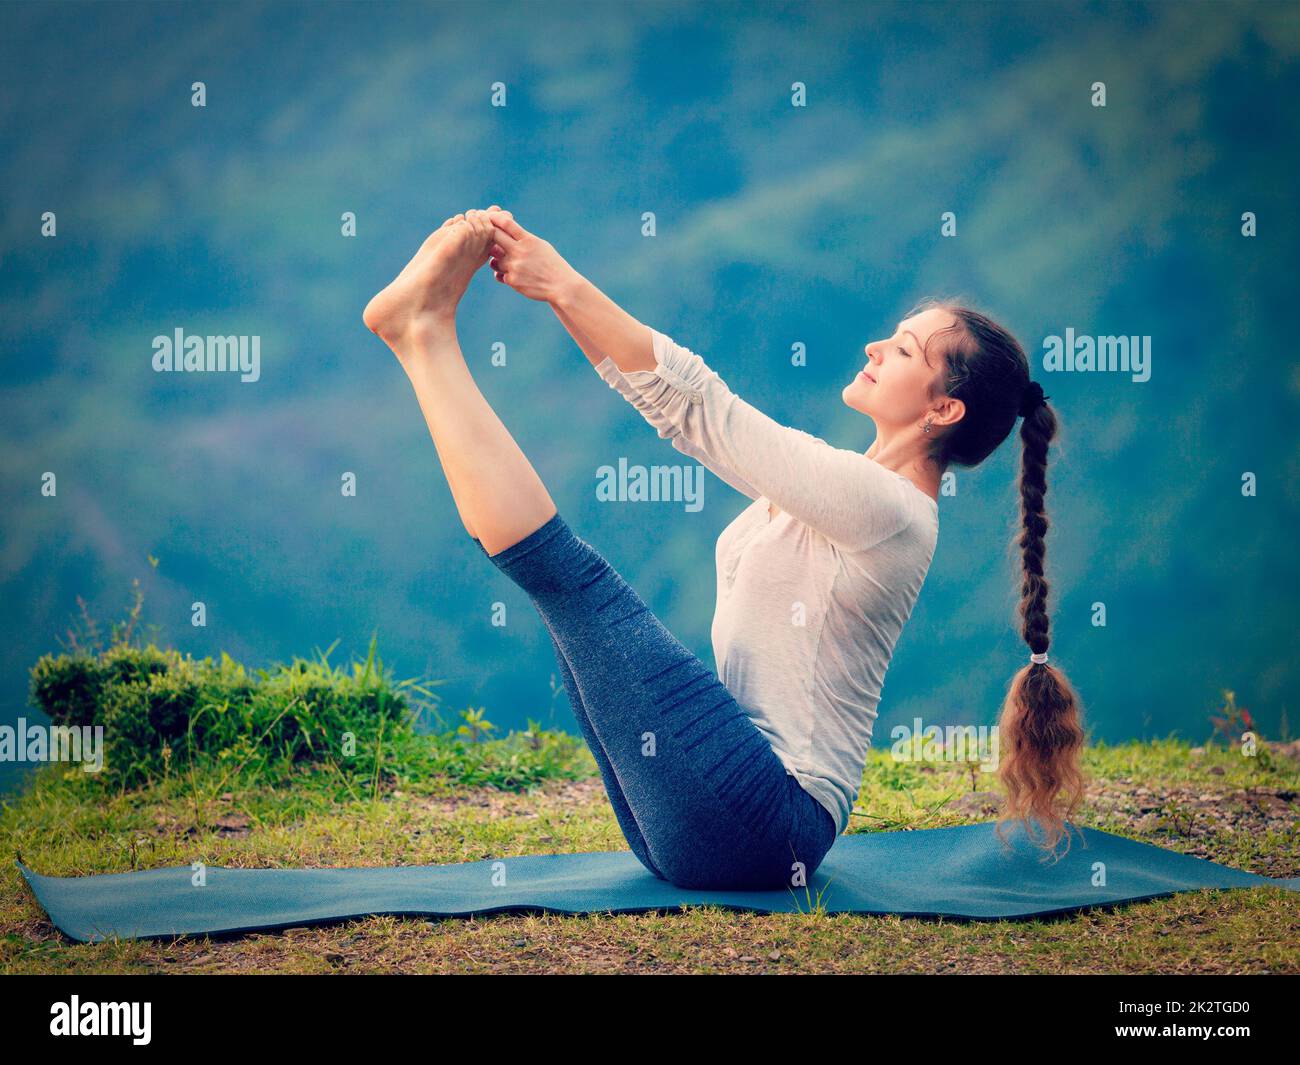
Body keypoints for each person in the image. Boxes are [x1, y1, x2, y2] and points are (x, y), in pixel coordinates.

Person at [361, 207, 1085, 888]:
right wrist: (555, 294)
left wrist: (562, 282)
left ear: (943, 408)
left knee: (571, 582)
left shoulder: (893, 511)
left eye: (902, 350)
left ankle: (423, 337)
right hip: (712, 819)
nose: (875, 348)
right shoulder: (850, 490)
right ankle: (421, 335)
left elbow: (701, 409)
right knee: (566, 606)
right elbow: (666, 402)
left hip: (769, 823)